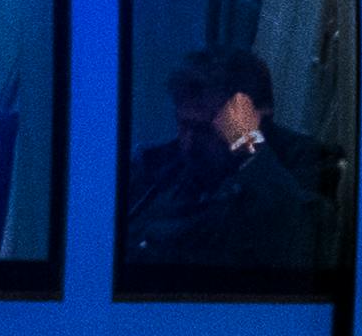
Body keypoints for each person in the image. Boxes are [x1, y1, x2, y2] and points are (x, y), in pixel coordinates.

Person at [124, 45, 341, 284]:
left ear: (249, 120)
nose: (189, 143)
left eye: (206, 130)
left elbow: (308, 242)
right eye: (183, 125)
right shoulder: (161, 166)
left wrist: (250, 147)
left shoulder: (301, 162)